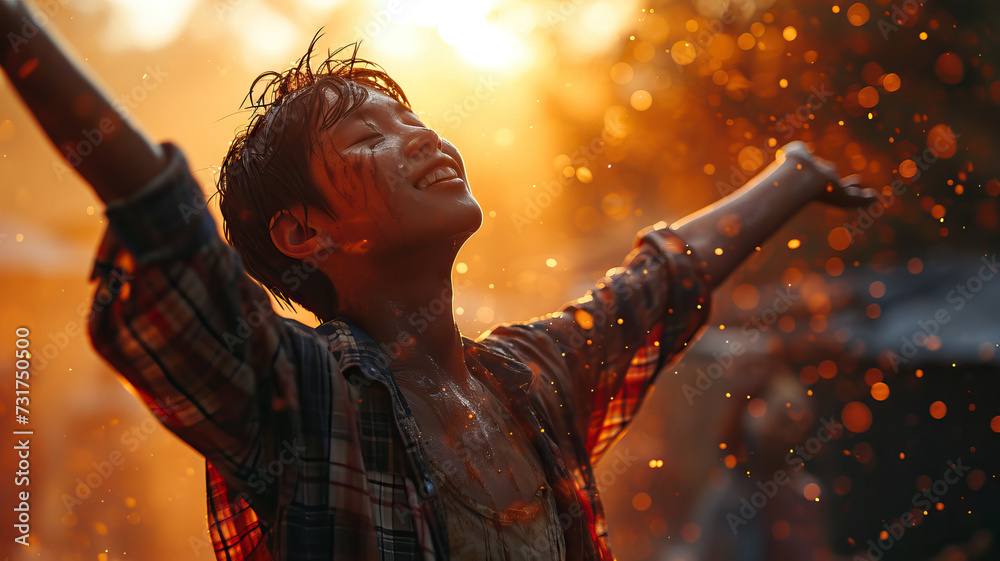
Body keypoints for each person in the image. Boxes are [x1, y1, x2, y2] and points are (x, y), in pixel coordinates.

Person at [0, 3, 876, 560]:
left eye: (415, 119)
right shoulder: (302, 399)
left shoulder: (526, 380)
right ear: (306, 231)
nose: (424, 139)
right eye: (370, 140)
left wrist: (792, 174)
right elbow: (166, 222)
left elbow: (657, 282)